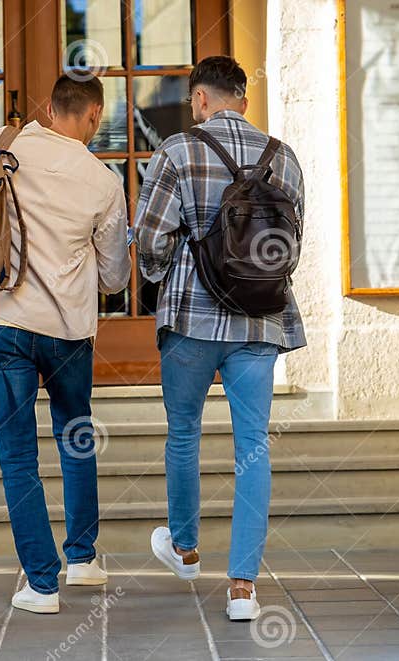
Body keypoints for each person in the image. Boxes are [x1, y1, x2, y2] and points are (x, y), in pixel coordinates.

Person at [133, 56, 306, 621]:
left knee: (183, 431)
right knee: (253, 446)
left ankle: (184, 550)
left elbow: (151, 240)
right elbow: (289, 247)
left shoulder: (177, 152)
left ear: (199, 99)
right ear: (244, 101)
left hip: (191, 317)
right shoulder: (284, 158)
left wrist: (166, 277)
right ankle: (242, 590)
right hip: (260, 319)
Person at [0, 74, 130, 614]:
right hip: (67, 332)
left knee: (18, 454)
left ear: (46, 106)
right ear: (93, 115)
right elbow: (114, 277)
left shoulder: (0, 143)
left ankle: (42, 584)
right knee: (75, 437)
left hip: (3, 319)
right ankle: (82, 558)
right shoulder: (103, 181)